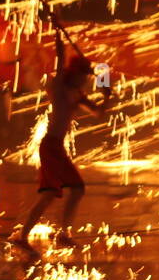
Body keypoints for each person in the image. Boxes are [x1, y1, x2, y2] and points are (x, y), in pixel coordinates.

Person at [9, 29, 110, 254]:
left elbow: (99, 114)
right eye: (83, 76)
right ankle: (22, 236)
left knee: (77, 189)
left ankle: (64, 234)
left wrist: (107, 96)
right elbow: (61, 59)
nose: (86, 80)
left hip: (58, 148)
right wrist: (58, 34)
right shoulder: (59, 89)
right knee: (48, 194)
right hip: (50, 146)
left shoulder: (77, 94)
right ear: (74, 74)